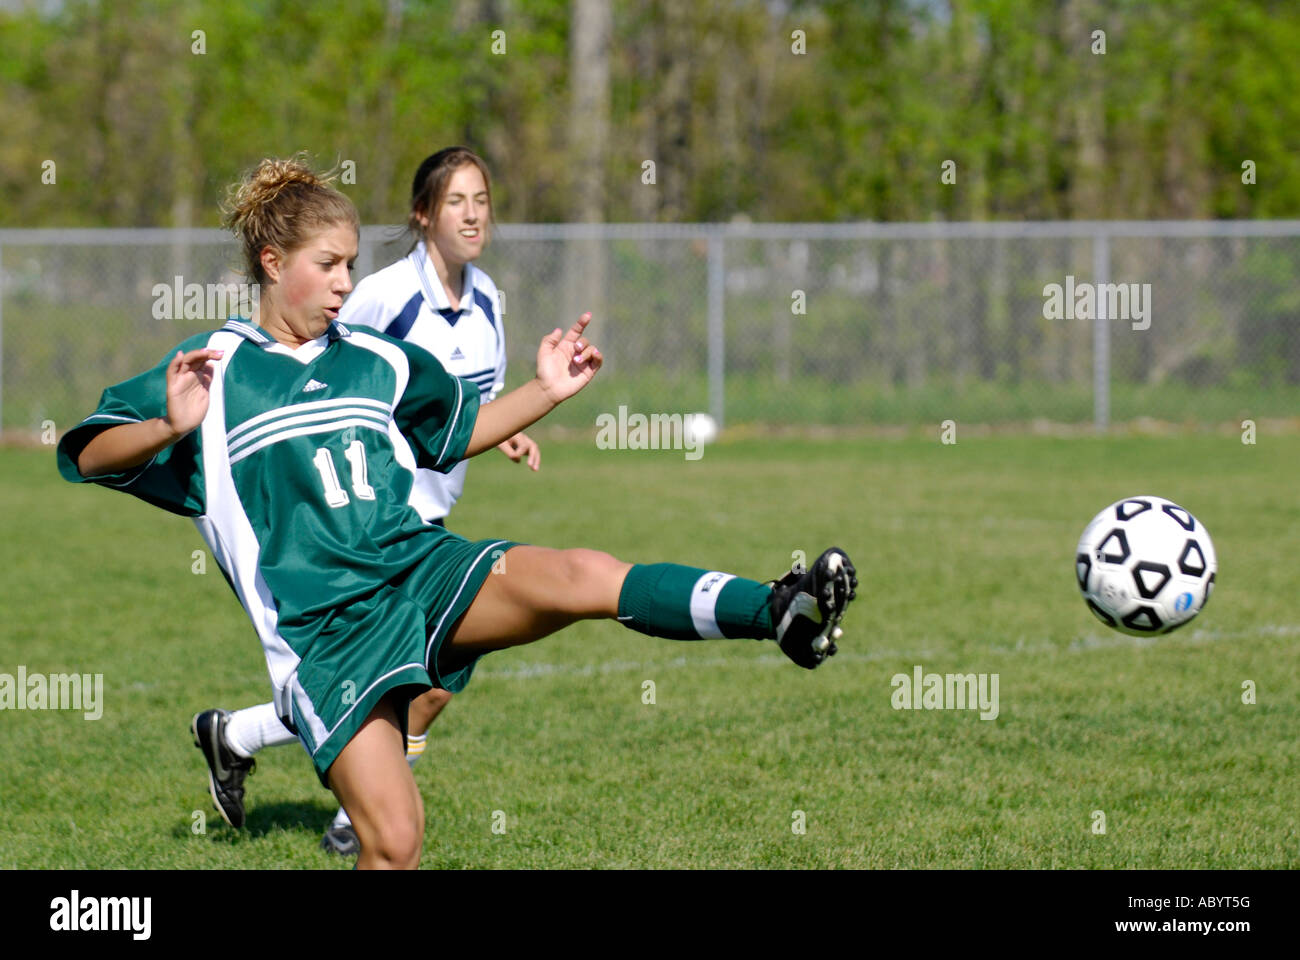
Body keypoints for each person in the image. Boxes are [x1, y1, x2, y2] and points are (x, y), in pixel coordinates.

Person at [56, 156, 857, 869]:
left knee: (581, 575)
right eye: (327, 265)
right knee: (395, 842)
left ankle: (777, 607)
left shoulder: (374, 359)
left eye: (351, 265)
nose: (344, 283)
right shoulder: (215, 369)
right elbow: (86, 454)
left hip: (417, 569)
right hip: (323, 636)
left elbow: (456, 432)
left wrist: (543, 391)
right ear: (271, 263)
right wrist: (166, 427)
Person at [188, 147, 538, 857]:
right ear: (422, 215)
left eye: (482, 200)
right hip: (374, 517)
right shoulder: (377, 295)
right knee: (412, 677)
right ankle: (364, 815)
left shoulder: (489, 298)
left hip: (434, 506)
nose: (472, 214)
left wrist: (500, 429)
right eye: (456, 201)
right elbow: (336, 370)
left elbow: (455, 398)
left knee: (411, 679)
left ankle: (235, 735)